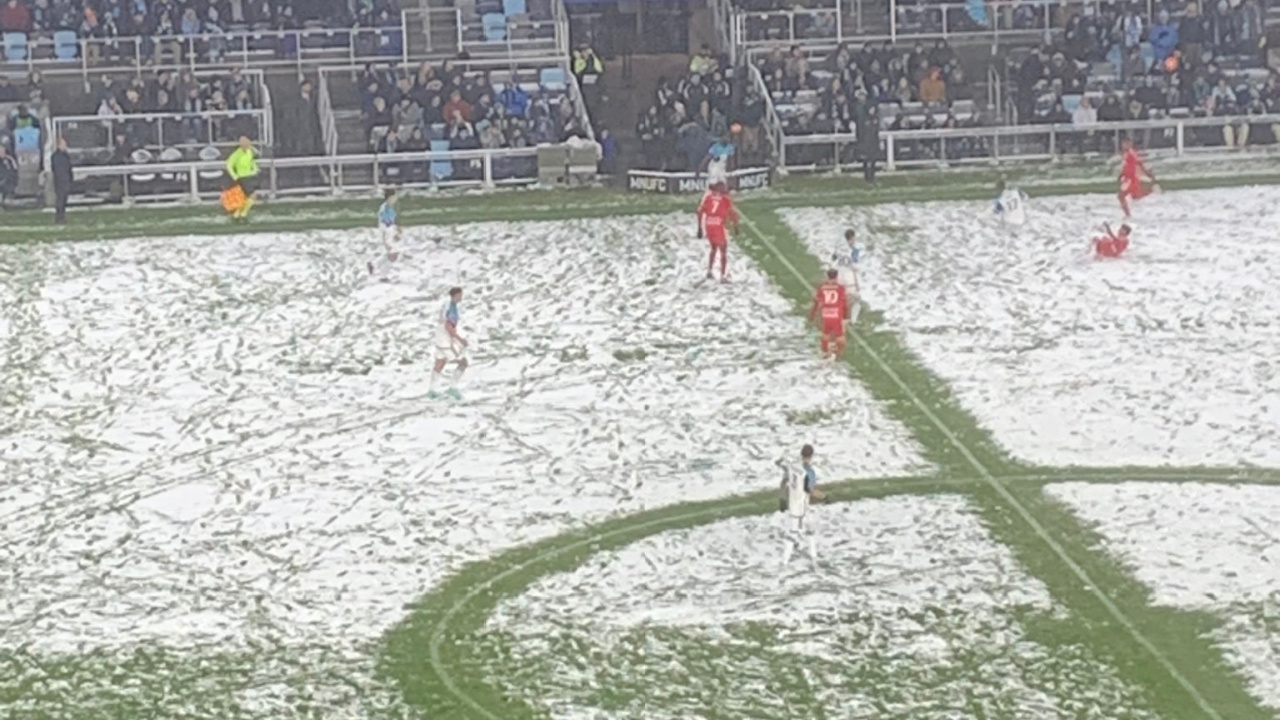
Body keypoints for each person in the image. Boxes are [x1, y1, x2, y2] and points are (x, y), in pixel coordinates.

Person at [429, 287, 468, 400]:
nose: (461, 297)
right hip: (445, 339)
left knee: (440, 363)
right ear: (456, 295)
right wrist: (460, 339)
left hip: (440, 336)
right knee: (463, 362)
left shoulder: (449, 305)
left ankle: (432, 390)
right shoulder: (451, 307)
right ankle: (453, 387)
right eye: (460, 295)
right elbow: (449, 326)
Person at [696, 181, 737, 282]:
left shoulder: (709, 197)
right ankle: (723, 276)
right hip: (718, 225)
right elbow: (732, 214)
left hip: (709, 225)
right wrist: (736, 227)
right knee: (723, 249)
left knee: (713, 248)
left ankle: (709, 271)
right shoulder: (725, 199)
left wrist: (700, 228)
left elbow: (700, 212)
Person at [809, 269, 849, 361]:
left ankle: (825, 353)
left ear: (827, 277)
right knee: (841, 338)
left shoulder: (822, 288)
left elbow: (816, 301)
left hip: (826, 315)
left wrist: (812, 314)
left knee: (825, 335)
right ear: (837, 277)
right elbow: (844, 303)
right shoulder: (840, 288)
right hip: (836, 315)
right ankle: (838, 355)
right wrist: (846, 316)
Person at [1118, 137, 1157, 217]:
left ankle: (1127, 214)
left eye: (1125, 144)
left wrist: (1147, 173)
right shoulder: (1126, 154)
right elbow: (1127, 166)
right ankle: (1151, 190)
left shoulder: (1131, 154)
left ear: (1129, 144)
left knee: (1121, 196)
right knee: (1135, 196)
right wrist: (1122, 174)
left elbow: (1139, 164)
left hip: (1130, 179)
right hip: (1129, 178)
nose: (1123, 146)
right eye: (1122, 144)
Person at [368, 187, 401, 276]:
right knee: (392, 253)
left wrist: (396, 230)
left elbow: (392, 221)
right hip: (386, 231)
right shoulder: (384, 208)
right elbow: (384, 223)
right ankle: (376, 266)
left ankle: (379, 269)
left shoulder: (390, 208)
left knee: (392, 253)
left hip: (389, 230)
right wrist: (386, 237)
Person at [225, 136, 259, 221]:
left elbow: (252, 161)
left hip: (249, 176)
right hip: (242, 177)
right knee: (252, 196)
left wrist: (255, 169)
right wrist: (234, 176)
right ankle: (243, 214)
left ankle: (237, 214)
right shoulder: (236, 154)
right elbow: (229, 164)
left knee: (244, 197)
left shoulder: (249, 152)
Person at [831, 229, 862, 322]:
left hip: (838, 274)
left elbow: (833, 258)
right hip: (848, 276)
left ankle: (836, 316)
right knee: (856, 298)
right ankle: (853, 320)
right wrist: (857, 283)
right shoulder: (854, 250)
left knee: (840, 297)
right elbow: (854, 266)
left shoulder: (839, 247)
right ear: (852, 238)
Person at [51, 136, 73, 224]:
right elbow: (57, 169)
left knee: (64, 200)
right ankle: (59, 217)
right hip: (60, 181)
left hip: (66, 180)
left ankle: (62, 216)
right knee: (60, 199)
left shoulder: (65, 155)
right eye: (64, 144)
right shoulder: (56, 156)